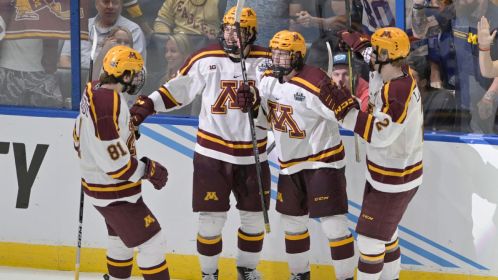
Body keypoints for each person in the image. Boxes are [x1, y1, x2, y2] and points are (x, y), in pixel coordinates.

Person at [129, 6, 271, 280]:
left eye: (239, 32)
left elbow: (280, 110)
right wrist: (148, 106)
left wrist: (257, 104)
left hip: (253, 156)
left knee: (253, 221)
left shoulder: (266, 62)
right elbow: (177, 90)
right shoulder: (205, 57)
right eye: (228, 30)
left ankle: (247, 270)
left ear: (252, 33)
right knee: (210, 221)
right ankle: (209, 274)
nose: (231, 37)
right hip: (212, 155)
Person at [236, 30, 356, 280]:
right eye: (275, 54)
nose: (277, 60)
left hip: (322, 162)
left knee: (334, 225)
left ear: (298, 57)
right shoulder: (268, 81)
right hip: (289, 166)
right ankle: (299, 275)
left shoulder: (314, 82)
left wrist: (350, 105)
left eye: (284, 56)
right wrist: (254, 105)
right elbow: (268, 122)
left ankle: (345, 277)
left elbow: (345, 116)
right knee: (293, 225)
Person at [328, 27, 423, 280]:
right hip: (385, 173)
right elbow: (371, 53)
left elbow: (380, 133)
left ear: (387, 55)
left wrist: (345, 111)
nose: (371, 55)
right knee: (386, 235)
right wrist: (357, 43)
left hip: (395, 178)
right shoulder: (391, 69)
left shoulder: (399, 90)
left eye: (375, 50)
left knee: (370, 241)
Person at [73, 45, 170, 280]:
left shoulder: (93, 88)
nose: (137, 77)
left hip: (98, 184)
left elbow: (100, 135)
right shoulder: (109, 105)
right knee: (153, 243)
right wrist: (148, 170)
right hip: (113, 190)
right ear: (124, 75)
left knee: (120, 241)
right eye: (134, 73)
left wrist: (129, 126)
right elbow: (117, 166)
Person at [59, 0, 147, 69]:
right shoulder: (80, 26)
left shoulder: (133, 31)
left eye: (115, 2)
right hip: (78, 86)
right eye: (105, 1)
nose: (110, 6)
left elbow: (136, 69)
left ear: (121, 6)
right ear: (96, 4)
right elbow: (64, 59)